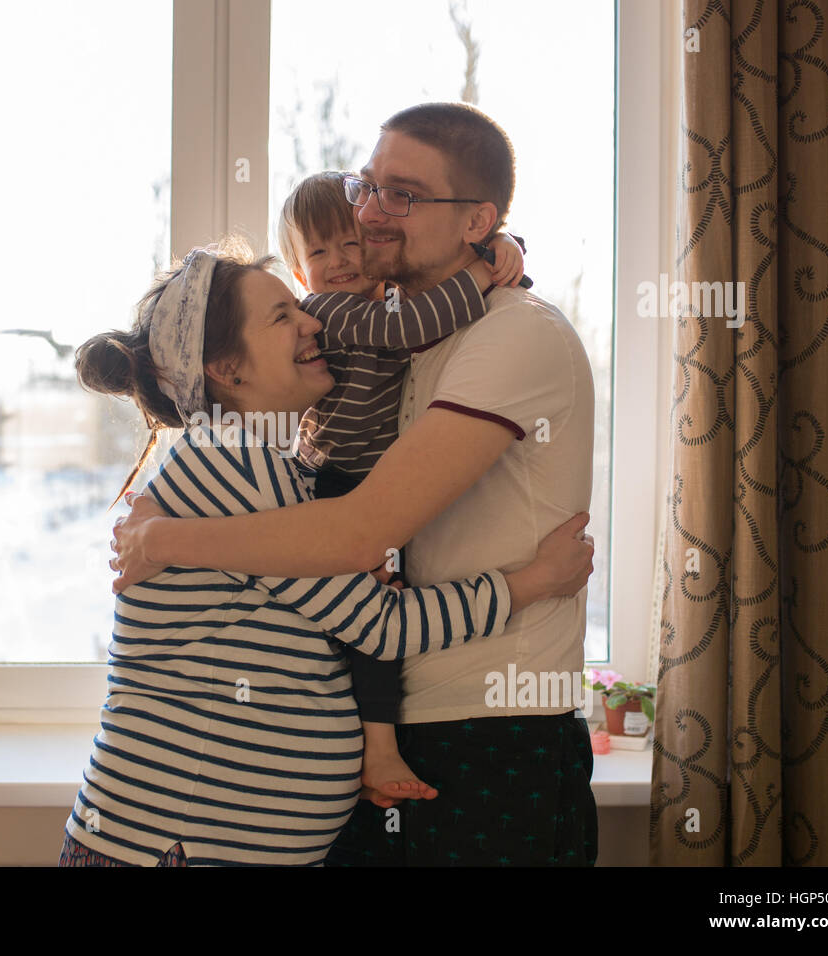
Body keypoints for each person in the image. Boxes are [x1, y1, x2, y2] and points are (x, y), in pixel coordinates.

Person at [110, 102, 599, 866]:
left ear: (477, 220)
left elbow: (355, 538)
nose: (369, 212)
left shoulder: (511, 332)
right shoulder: (269, 437)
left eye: (399, 195)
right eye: (366, 187)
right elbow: (360, 590)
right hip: (382, 745)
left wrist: (167, 539)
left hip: (489, 726)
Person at [274, 170, 528, 806]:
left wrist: (506, 248)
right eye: (317, 253)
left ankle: (370, 740)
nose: (337, 263)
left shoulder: (390, 292)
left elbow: (441, 286)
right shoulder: (330, 311)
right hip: (334, 482)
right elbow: (413, 326)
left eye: (349, 244)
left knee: (381, 613)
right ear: (300, 271)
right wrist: (481, 269)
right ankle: (375, 746)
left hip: (383, 484)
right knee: (365, 620)